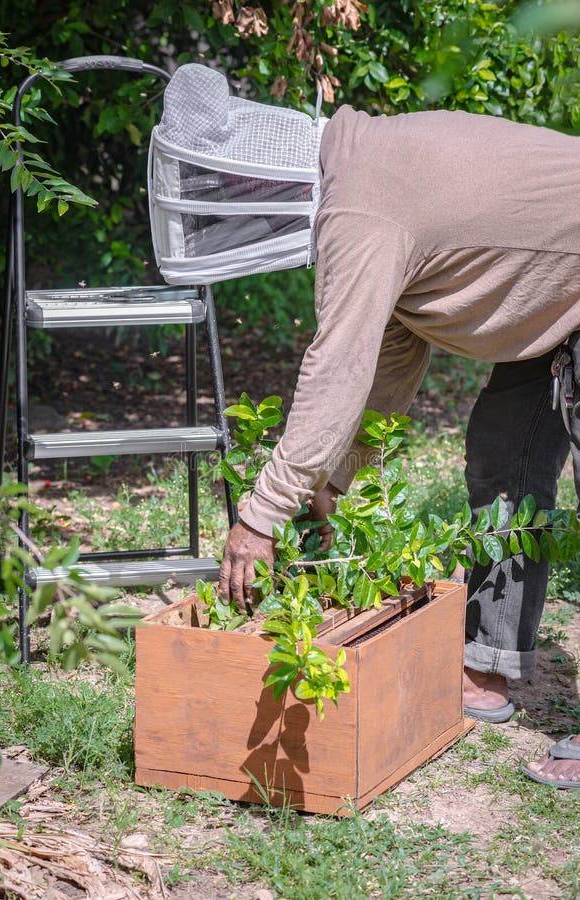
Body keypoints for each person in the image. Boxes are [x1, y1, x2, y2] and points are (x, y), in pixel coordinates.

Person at [218, 103, 580, 789]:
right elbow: (389, 352)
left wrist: (261, 515)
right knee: (503, 459)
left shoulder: (360, 205)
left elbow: (337, 364)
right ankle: (487, 666)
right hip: (560, 298)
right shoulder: (365, 158)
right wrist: (341, 478)